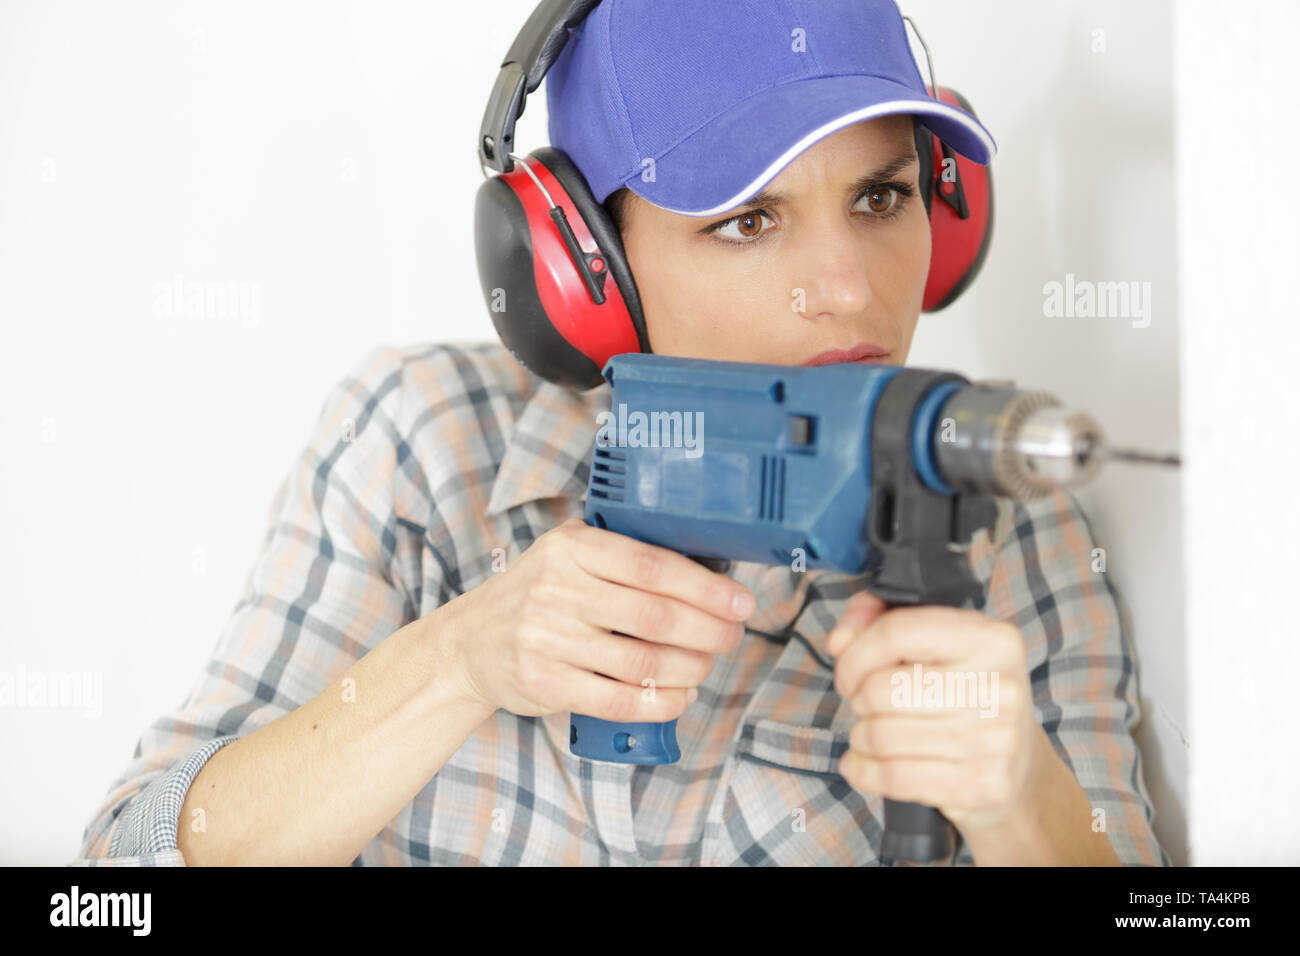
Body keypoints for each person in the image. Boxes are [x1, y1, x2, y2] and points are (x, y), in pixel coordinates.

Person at [75, 0, 1167, 866]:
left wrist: (1022, 795)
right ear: (580, 265)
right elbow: (121, 868)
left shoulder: (1009, 528)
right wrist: (456, 660)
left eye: (880, 199)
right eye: (746, 219)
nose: (845, 289)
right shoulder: (417, 440)